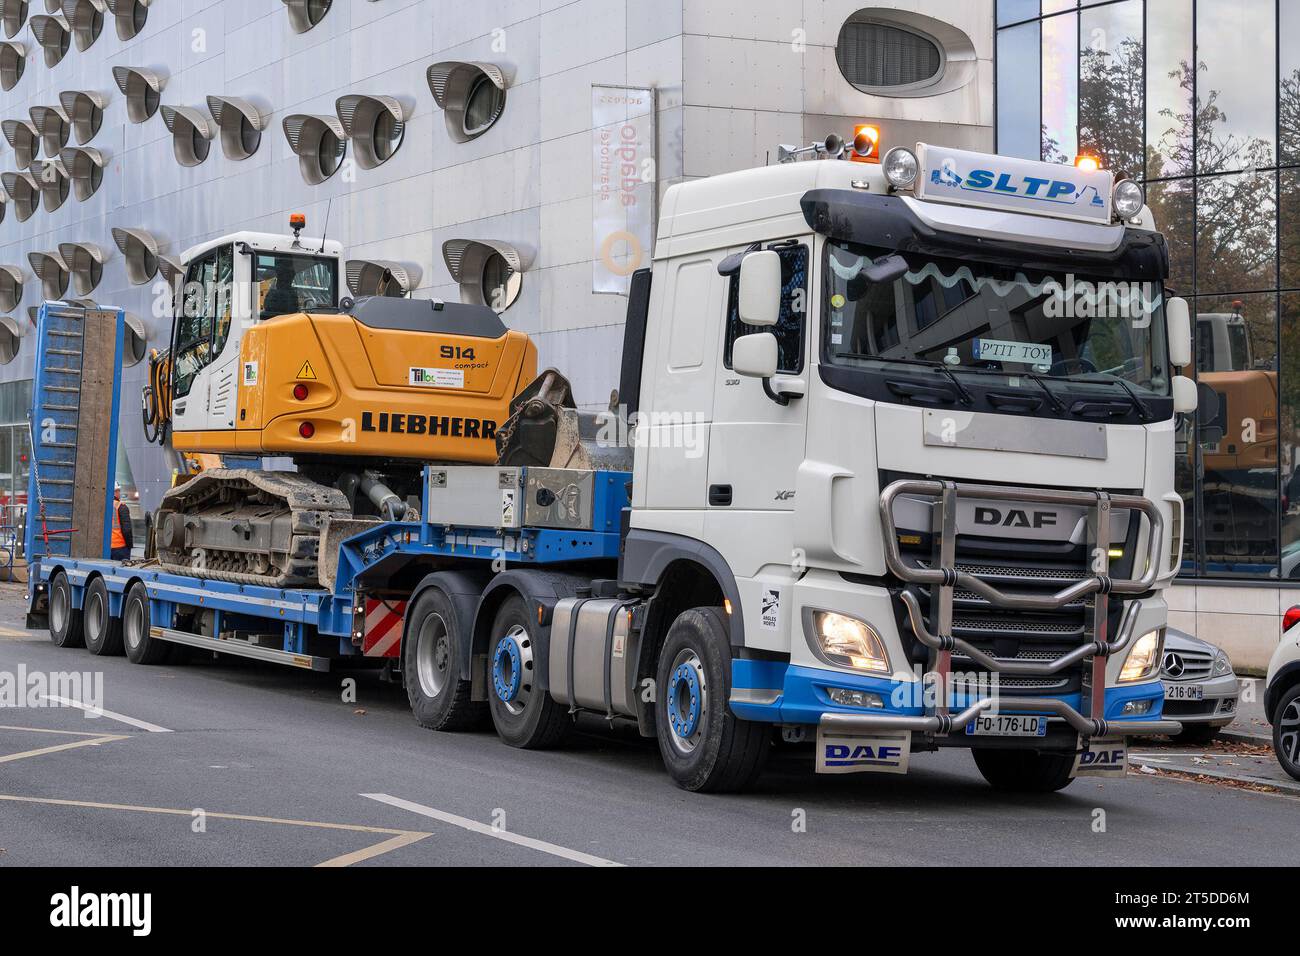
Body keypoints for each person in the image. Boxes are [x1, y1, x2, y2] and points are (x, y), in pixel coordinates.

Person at [110, 485, 133, 562]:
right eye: (118, 491)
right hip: (120, 547)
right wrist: (129, 545)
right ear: (115, 492)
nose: (119, 493)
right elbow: (127, 530)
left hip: (106, 547)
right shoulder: (121, 506)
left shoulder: (103, 505)